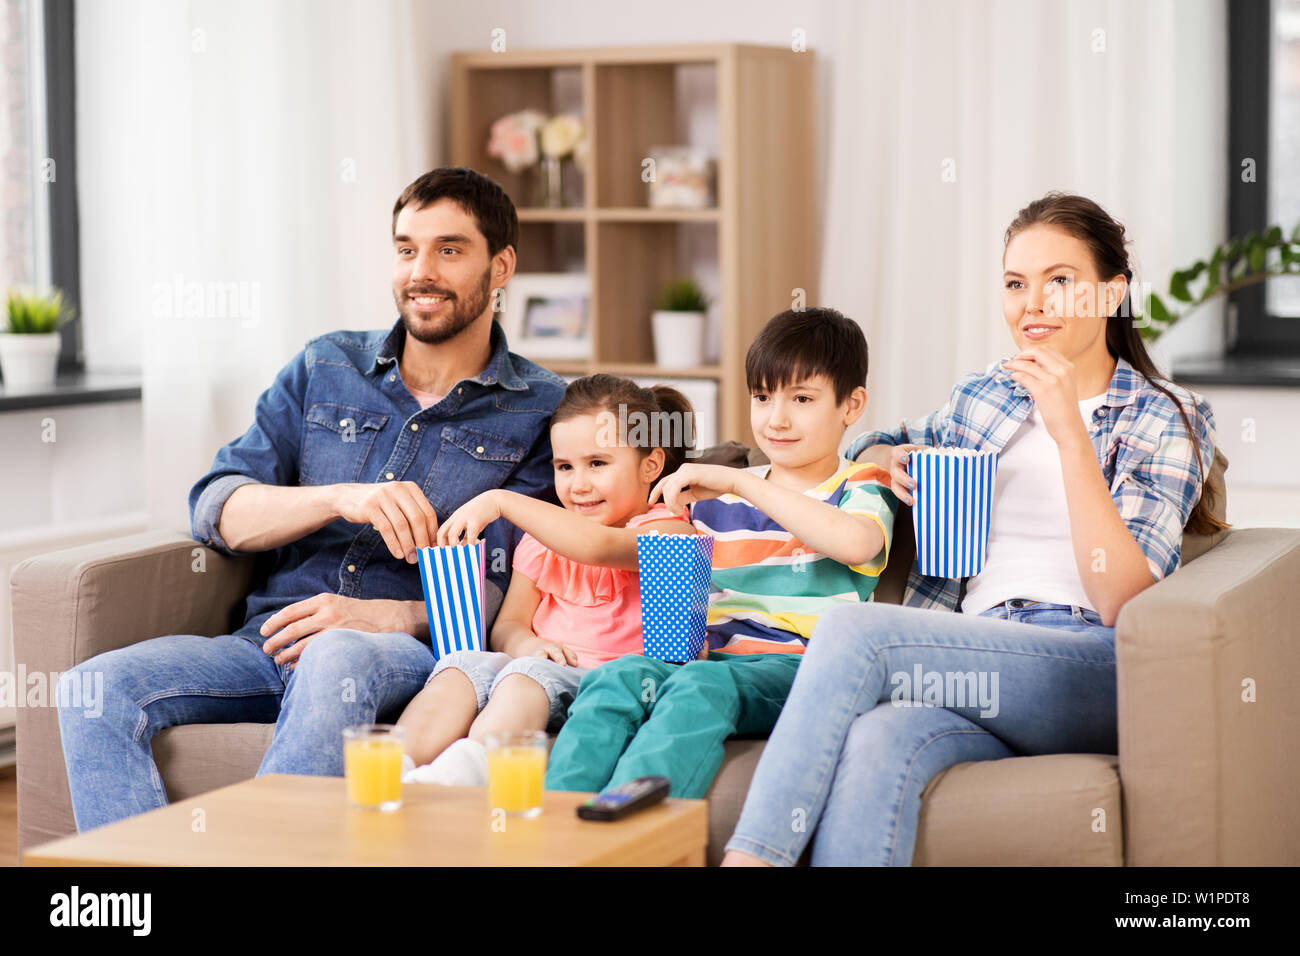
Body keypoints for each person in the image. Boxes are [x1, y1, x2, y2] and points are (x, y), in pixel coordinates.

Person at [721, 192, 1224, 867]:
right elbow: (872, 441)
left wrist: (1071, 436)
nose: (1031, 303)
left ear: (1111, 295)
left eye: (1059, 282)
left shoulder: (1168, 417)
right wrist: (882, 459)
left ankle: (748, 862)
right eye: (1016, 283)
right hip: (976, 658)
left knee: (851, 634)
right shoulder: (985, 395)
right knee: (879, 739)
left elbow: (1123, 597)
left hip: (1090, 664)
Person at [56, 167, 567, 831]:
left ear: (500, 267)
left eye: (449, 249)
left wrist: (385, 616)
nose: (420, 272)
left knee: (337, 651)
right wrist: (338, 499)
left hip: (407, 656)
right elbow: (217, 507)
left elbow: (509, 589)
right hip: (266, 639)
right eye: (406, 248)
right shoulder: (326, 365)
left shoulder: (541, 409)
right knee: (91, 691)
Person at [544, 307, 898, 800]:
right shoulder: (714, 496)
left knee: (700, 689)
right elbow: (637, 548)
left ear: (851, 404)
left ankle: (630, 835)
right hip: (708, 659)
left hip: (799, 667)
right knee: (616, 678)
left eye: (801, 398)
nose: (777, 418)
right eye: (762, 397)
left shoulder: (861, 483)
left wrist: (739, 482)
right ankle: (555, 820)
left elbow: (855, 543)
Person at [395, 375, 696, 785]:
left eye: (597, 463)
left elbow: (598, 547)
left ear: (651, 465)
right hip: (543, 670)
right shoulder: (543, 541)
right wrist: (528, 644)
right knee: (461, 668)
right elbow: (509, 625)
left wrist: (501, 501)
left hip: (614, 684)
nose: (578, 485)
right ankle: (394, 770)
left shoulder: (668, 530)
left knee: (525, 679)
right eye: (564, 467)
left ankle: (462, 778)